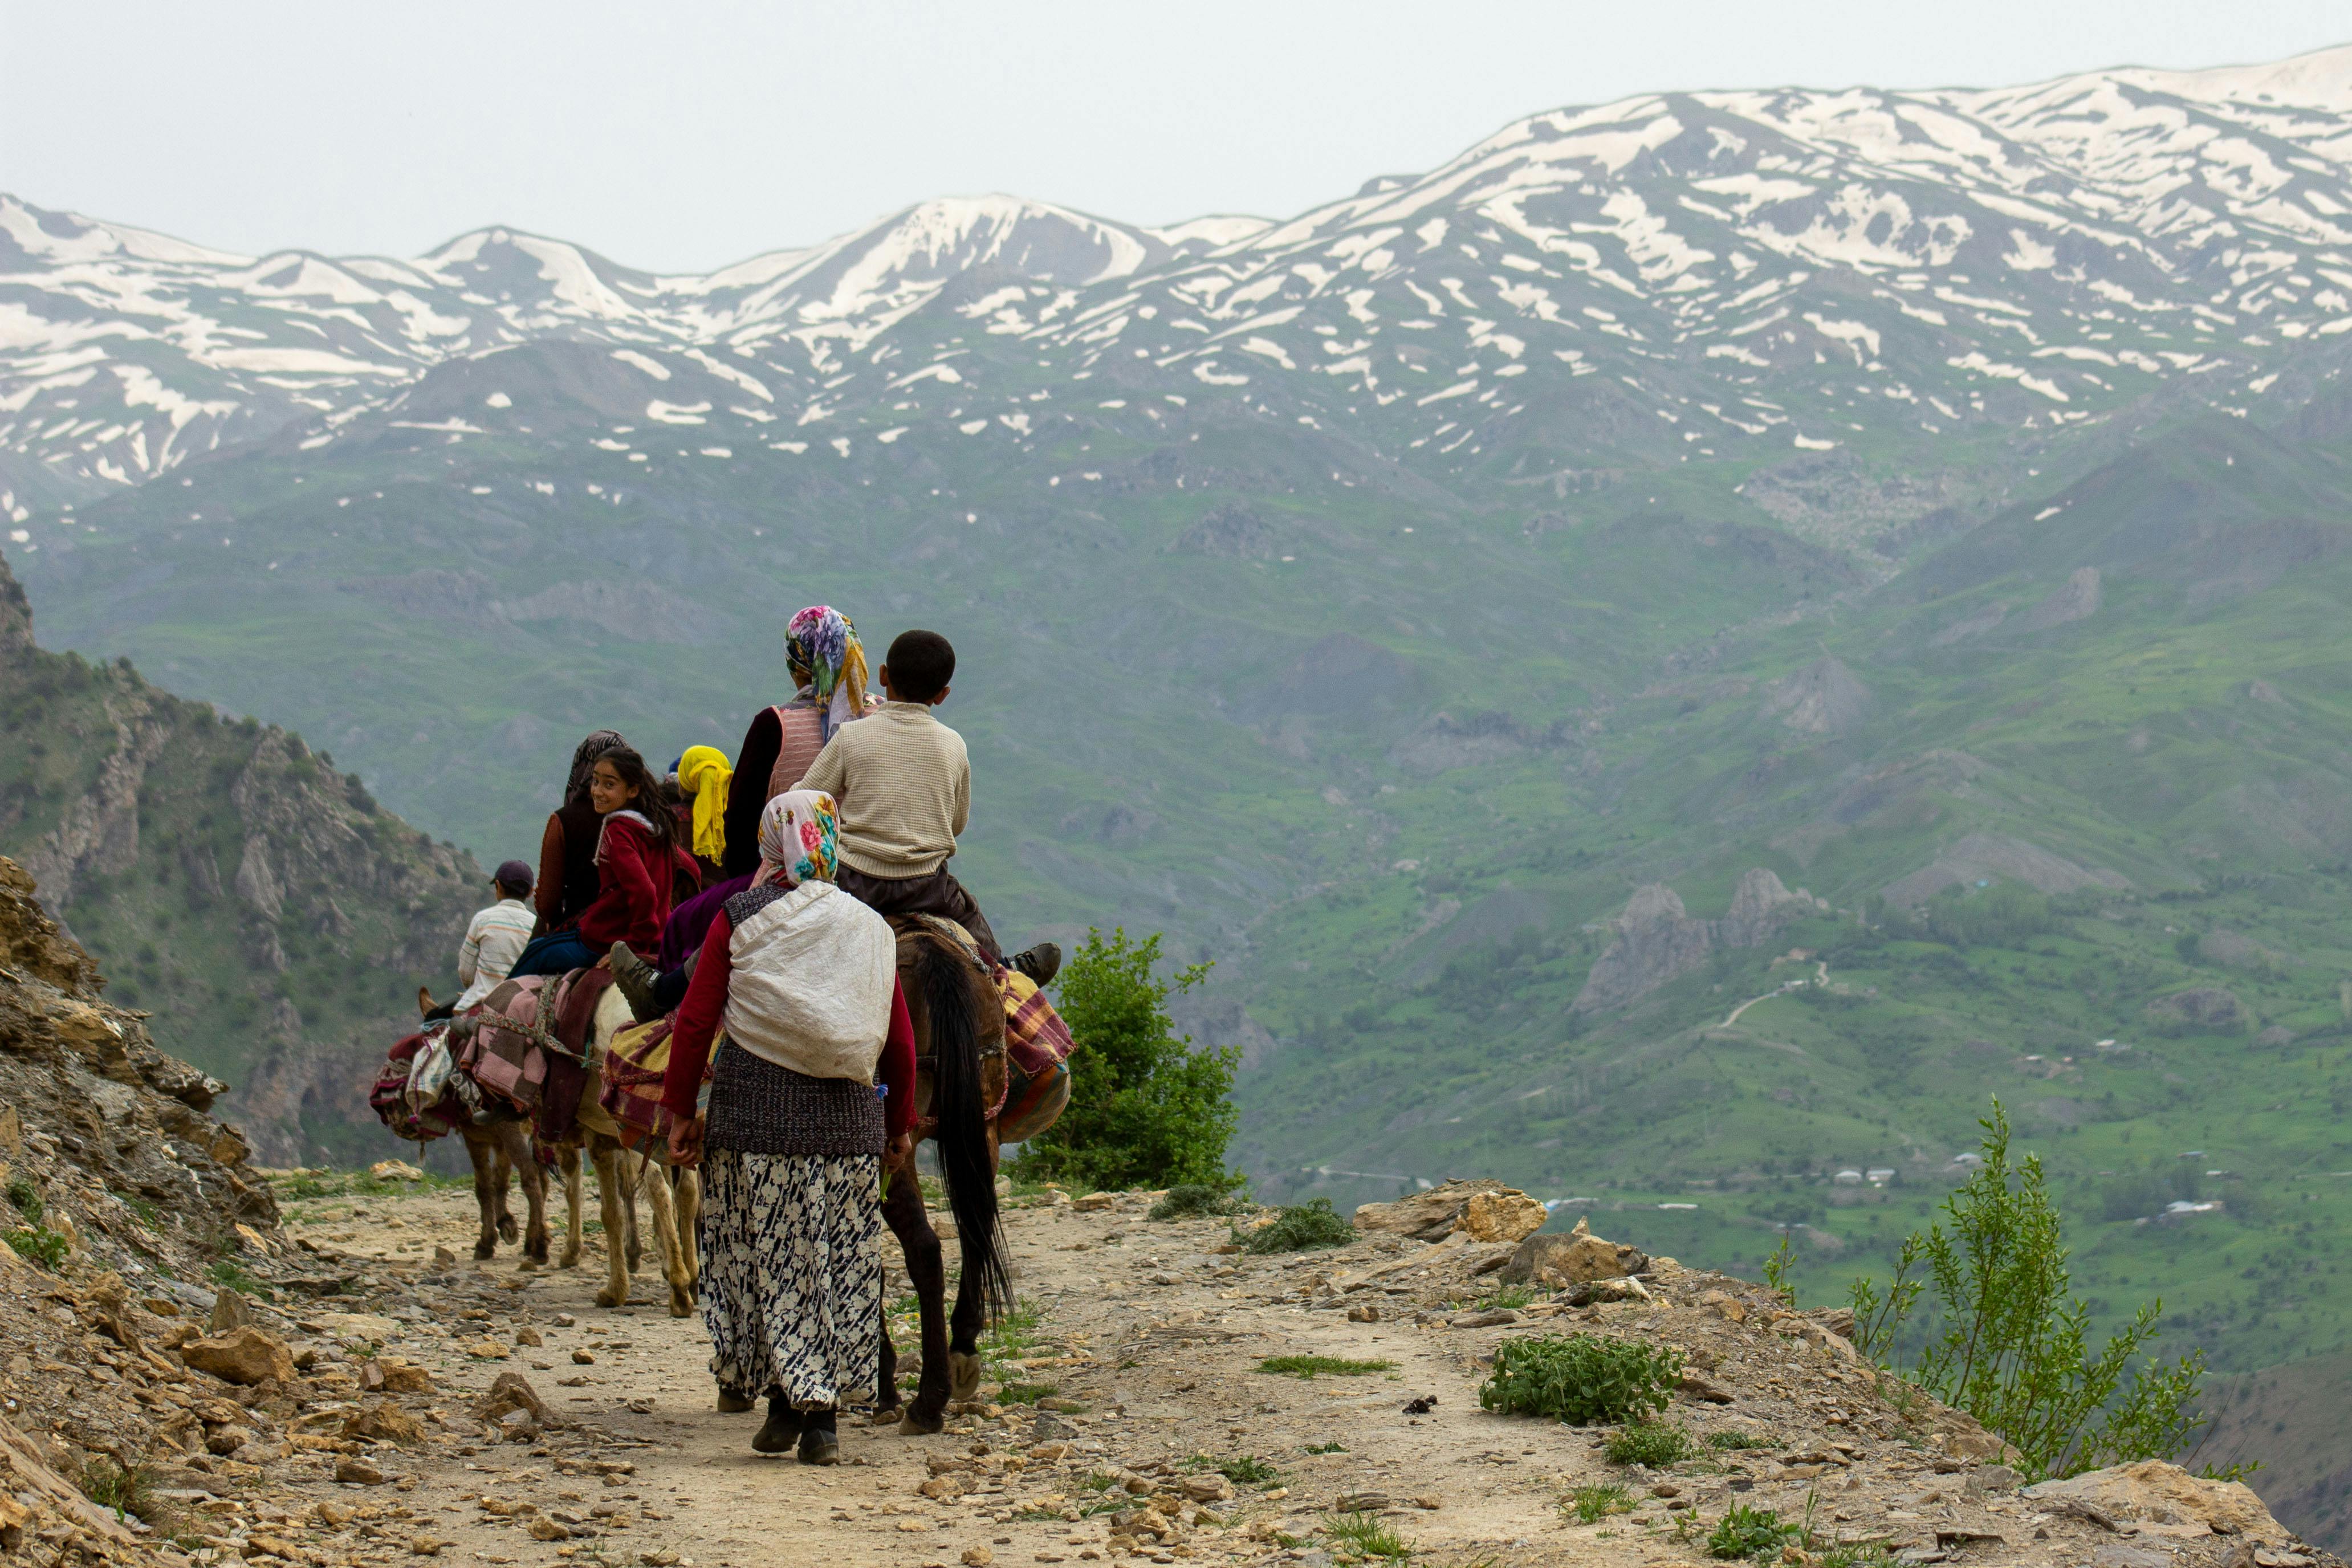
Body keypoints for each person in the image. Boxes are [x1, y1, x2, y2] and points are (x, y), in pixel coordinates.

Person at [660, 791, 915, 1463]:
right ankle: (821, 1418)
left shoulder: (740, 914)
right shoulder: (869, 926)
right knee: (836, 1263)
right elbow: (899, 1041)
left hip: (754, 1123)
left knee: (766, 1261)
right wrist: (899, 1122)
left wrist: (680, 1111)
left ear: (772, 842)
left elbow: (693, 1021)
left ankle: (780, 1402)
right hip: (848, 1128)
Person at [799, 628, 1056, 981]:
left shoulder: (852, 736)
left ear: (883, 675)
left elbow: (805, 800)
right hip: (926, 887)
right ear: (943, 695)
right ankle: (1002, 972)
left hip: (852, 881)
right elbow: (957, 824)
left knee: (774, 914)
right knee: (969, 912)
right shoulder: (954, 746)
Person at [718, 606, 874, 882]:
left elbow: (740, 829)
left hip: (790, 881)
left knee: (686, 920)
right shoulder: (882, 715)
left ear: (796, 660)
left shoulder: (774, 725)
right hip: (877, 876)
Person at [510, 746, 681, 979]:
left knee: (535, 953)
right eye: (596, 782)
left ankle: (488, 1013)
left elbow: (645, 892)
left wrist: (632, 949)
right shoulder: (656, 830)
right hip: (659, 940)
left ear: (632, 790)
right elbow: (688, 868)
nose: (597, 791)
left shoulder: (618, 832)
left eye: (609, 785)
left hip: (604, 941)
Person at [534, 730, 630, 938]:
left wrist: (552, 922)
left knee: (525, 967)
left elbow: (548, 903)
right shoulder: (647, 817)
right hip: (637, 933)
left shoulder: (563, 821)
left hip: (580, 932)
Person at [419, 861, 540, 1019]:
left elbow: (465, 971)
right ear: (530, 892)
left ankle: (433, 1017)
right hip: (524, 1007)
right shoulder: (536, 925)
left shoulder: (482, 919)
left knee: (438, 1020)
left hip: (485, 1001)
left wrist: (478, 985)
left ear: (498, 886)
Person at [676, 745, 733, 885]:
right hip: (726, 902)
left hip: (680, 904)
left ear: (684, 779)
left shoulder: (667, 819)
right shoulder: (739, 821)